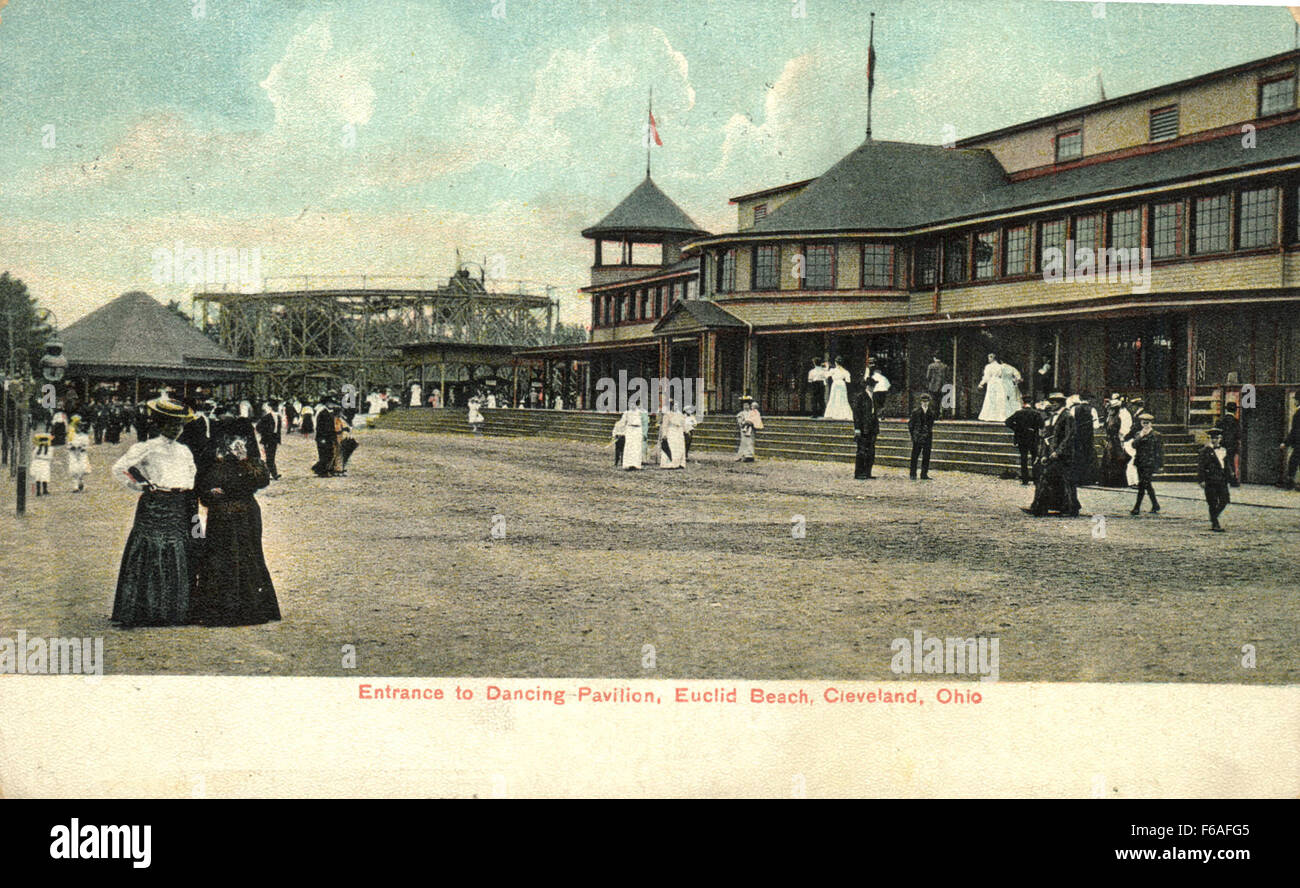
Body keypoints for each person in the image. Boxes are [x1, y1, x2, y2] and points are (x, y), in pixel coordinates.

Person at [109, 397, 197, 628]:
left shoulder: (185, 450)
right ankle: (146, 610)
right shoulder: (146, 447)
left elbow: (191, 476)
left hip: (179, 505)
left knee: (176, 553)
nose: (176, 430)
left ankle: (174, 611)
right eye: (171, 425)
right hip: (155, 505)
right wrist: (140, 485)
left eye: (179, 425)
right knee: (150, 553)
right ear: (160, 424)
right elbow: (119, 468)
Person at [191, 424, 280, 625]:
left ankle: (250, 607)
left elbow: (262, 480)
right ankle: (219, 609)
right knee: (219, 557)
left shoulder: (251, 459)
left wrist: (244, 460)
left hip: (245, 514)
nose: (234, 444)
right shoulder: (213, 460)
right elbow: (201, 487)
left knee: (247, 554)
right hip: (220, 515)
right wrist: (209, 494)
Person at [1029, 392, 1076, 516]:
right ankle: (1043, 506)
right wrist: (1044, 454)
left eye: (1055, 402)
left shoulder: (1067, 416)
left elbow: (1068, 437)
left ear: (1061, 403)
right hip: (1051, 453)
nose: (1052, 404)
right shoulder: (1051, 417)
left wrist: (1058, 452)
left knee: (1065, 480)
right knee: (1049, 479)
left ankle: (1070, 508)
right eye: (1052, 402)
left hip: (1063, 455)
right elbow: (1047, 437)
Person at [1128, 413, 1164, 516]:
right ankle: (1155, 504)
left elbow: (1160, 451)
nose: (1145, 425)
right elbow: (1134, 445)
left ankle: (1137, 507)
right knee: (1146, 484)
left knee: (1142, 484)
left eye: (1147, 423)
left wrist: (1160, 465)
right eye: (1143, 423)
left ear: (1151, 423)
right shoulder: (1138, 434)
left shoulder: (1156, 435)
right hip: (1140, 462)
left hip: (1150, 463)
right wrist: (1140, 436)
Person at [1197, 427, 1232, 532]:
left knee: (1224, 500)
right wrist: (1201, 480)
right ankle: (1215, 523)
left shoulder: (1224, 450)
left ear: (1220, 438)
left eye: (1216, 438)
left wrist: (1229, 479)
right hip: (1210, 479)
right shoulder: (1205, 451)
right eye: (1212, 438)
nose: (1214, 440)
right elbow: (1201, 466)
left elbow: (1226, 466)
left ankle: (1214, 516)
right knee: (1212, 501)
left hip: (1221, 479)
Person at [1005, 397, 1043, 485]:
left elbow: (1007, 422)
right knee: (1034, 458)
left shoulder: (1018, 413)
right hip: (1033, 438)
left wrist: (1017, 429)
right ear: (1032, 402)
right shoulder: (1036, 413)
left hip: (1021, 438)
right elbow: (1041, 425)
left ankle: (1025, 479)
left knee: (1023, 458)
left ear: (1023, 402)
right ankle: (1036, 479)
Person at [1100, 394, 1133, 487]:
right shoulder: (1110, 417)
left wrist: (1121, 438)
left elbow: (1125, 428)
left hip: (1117, 440)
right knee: (1108, 460)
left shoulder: (1121, 416)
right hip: (1111, 440)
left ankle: (1117, 482)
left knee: (1117, 460)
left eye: (1112, 409)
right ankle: (1107, 481)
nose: (1110, 410)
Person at [1070, 394, 1100, 487]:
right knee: (1088, 455)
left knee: (1077, 456)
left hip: (1076, 436)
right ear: (1089, 400)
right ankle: (1086, 479)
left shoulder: (1074, 409)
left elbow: (1070, 422)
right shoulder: (1092, 410)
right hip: (1087, 437)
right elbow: (1096, 425)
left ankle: (1077, 479)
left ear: (1080, 399)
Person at [851, 380, 878, 479]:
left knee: (871, 451)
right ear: (867, 386)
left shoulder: (873, 397)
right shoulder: (860, 397)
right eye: (871, 386)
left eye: (873, 386)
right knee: (861, 451)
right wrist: (857, 428)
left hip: (872, 428)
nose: (872, 387)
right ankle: (859, 473)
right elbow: (856, 414)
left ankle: (867, 472)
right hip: (863, 428)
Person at [977, 354, 1014, 422]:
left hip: (992, 383)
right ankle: (1000, 416)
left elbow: (986, 377)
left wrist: (981, 384)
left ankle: (991, 416)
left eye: (989, 357)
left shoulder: (989, 367)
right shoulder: (1001, 366)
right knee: (999, 399)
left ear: (992, 358)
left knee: (991, 399)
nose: (988, 359)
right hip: (1000, 383)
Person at [908, 393, 936, 480]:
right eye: (923, 401)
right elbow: (910, 424)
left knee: (926, 456)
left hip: (927, 437)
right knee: (915, 455)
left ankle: (924, 474)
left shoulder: (931, 413)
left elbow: (931, 425)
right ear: (920, 402)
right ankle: (913, 474)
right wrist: (914, 435)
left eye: (926, 401)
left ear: (929, 402)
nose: (925, 403)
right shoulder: (916, 412)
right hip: (918, 437)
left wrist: (928, 432)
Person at [255, 398, 283, 480]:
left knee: (271, 457)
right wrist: (265, 434)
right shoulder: (266, 417)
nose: (276, 407)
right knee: (269, 458)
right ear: (271, 407)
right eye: (274, 406)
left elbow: (278, 429)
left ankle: (270, 474)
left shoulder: (278, 417)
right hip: (268, 439)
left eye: (277, 406)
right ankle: (272, 474)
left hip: (274, 439)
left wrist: (278, 438)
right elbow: (258, 427)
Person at [311, 399, 338, 477]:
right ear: (326, 403)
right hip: (322, 437)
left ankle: (320, 469)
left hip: (330, 437)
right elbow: (319, 427)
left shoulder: (332, 413)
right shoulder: (322, 413)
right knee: (323, 455)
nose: (331, 405)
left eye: (332, 403)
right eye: (330, 403)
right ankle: (322, 471)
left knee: (330, 454)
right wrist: (321, 438)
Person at [658, 399, 687, 469]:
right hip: (671, 431)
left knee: (679, 447)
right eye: (674, 406)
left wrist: (685, 431)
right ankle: (669, 463)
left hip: (679, 432)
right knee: (671, 447)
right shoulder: (668, 414)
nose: (676, 407)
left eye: (677, 406)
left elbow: (683, 424)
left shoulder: (680, 415)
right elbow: (664, 425)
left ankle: (679, 463)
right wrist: (664, 434)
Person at [1218, 402, 1242, 487]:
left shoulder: (1221, 420)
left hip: (1222, 445)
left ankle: (1223, 479)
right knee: (1230, 462)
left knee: (1222, 462)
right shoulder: (1235, 421)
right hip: (1232, 445)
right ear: (1235, 410)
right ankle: (1232, 480)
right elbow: (1239, 434)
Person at [66, 415, 91, 492]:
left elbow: (86, 445)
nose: (79, 428)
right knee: (74, 469)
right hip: (73, 454)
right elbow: (68, 444)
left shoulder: (84, 436)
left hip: (82, 454)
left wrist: (82, 447)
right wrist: (71, 446)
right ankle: (75, 486)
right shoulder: (71, 435)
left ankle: (81, 481)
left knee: (82, 469)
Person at [1279, 402, 1300, 489]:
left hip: (1299, 444)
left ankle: (1290, 483)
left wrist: (1286, 442)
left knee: (1293, 462)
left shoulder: (1298, 414)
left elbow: (1295, 431)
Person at [735, 396, 762, 462]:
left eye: (747, 405)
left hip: (751, 429)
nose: (746, 406)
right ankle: (742, 455)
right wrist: (744, 423)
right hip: (744, 429)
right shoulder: (741, 413)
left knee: (750, 442)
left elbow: (756, 419)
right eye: (744, 405)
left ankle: (750, 456)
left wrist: (752, 423)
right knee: (744, 442)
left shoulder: (752, 412)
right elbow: (740, 421)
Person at [621, 405, 645, 470]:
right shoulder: (626, 413)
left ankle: (636, 464)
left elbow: (644, 422)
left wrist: (643, 432)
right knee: (629, 446)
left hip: (638, 429)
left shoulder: (640, 413)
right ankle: (628, 464)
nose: (632, 405)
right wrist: (622, 432)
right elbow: (622, 423)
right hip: (630, 429)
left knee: (637, 447)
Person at [30, 432, 53, 497]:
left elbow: (50, 456)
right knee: (39, 477)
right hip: (40, 463)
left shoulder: (49, 448)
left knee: (44, 476)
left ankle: (44, 490)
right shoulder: (37, 448)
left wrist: (39, 457)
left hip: (42, 463)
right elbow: (33, 455)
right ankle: (39, 491)